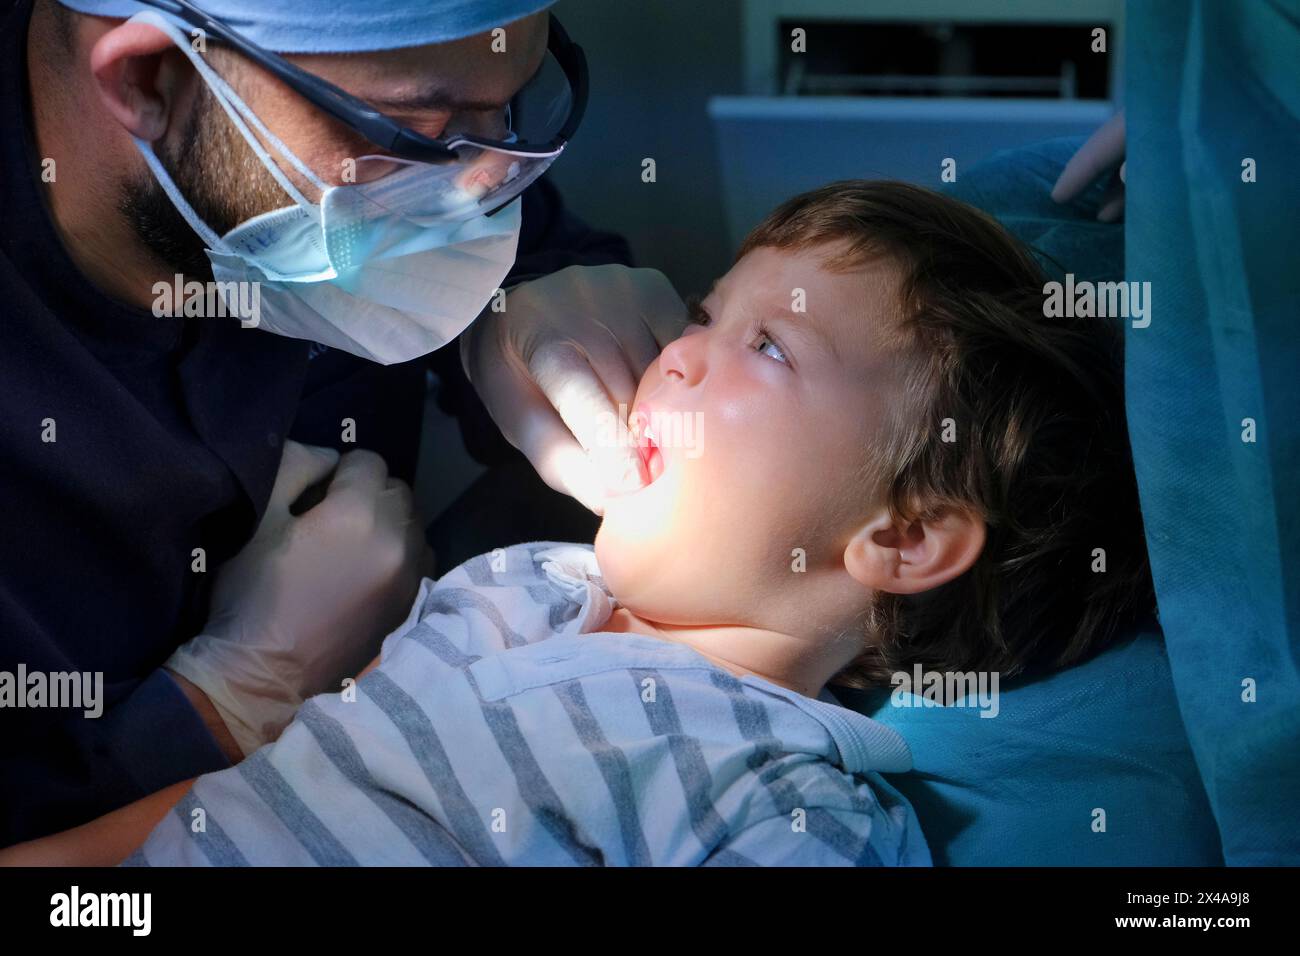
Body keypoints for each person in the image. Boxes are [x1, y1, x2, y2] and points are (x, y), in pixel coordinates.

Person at [0, 180, 1155, 866]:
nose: (680, 350)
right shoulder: (510, 589)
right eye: (709, 311)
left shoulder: (770, 794)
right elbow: (255, 795)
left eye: (768, 345)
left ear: (902, 537)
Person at [0, 0, 687, 846]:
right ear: (150, 78)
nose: (478, 190)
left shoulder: (406, 118)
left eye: (509, 109)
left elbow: (509, 216)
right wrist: (219, 710)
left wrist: (533, 300)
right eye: (415, 133)